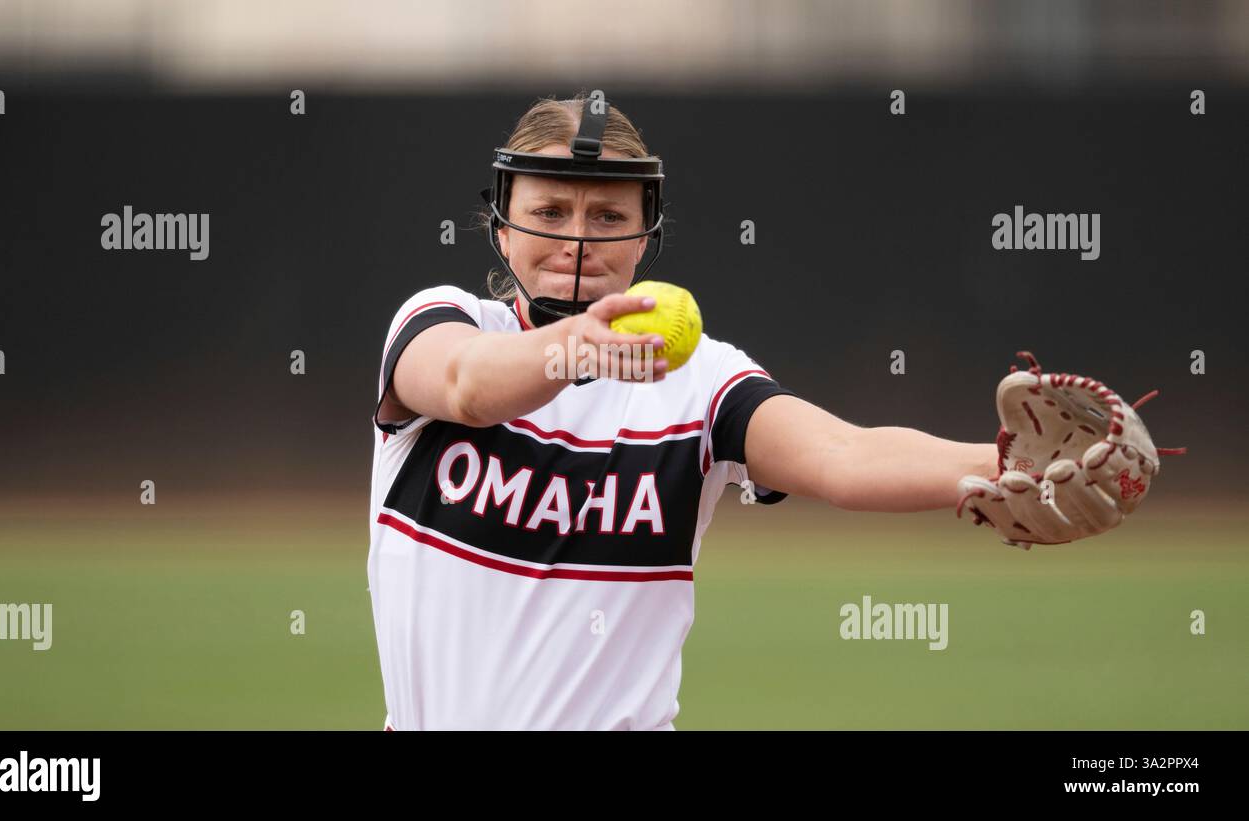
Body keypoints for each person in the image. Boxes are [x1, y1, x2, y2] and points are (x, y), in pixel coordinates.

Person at [366, 92, 997, 730]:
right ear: (503, 228)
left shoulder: (700, 380)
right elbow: (466, 385)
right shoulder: (444, 322)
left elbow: (845, 456)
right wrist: (582, 343)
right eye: (550, 212)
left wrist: (1007, 464)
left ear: (645, 239)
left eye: (609, 217)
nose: (577, 241)